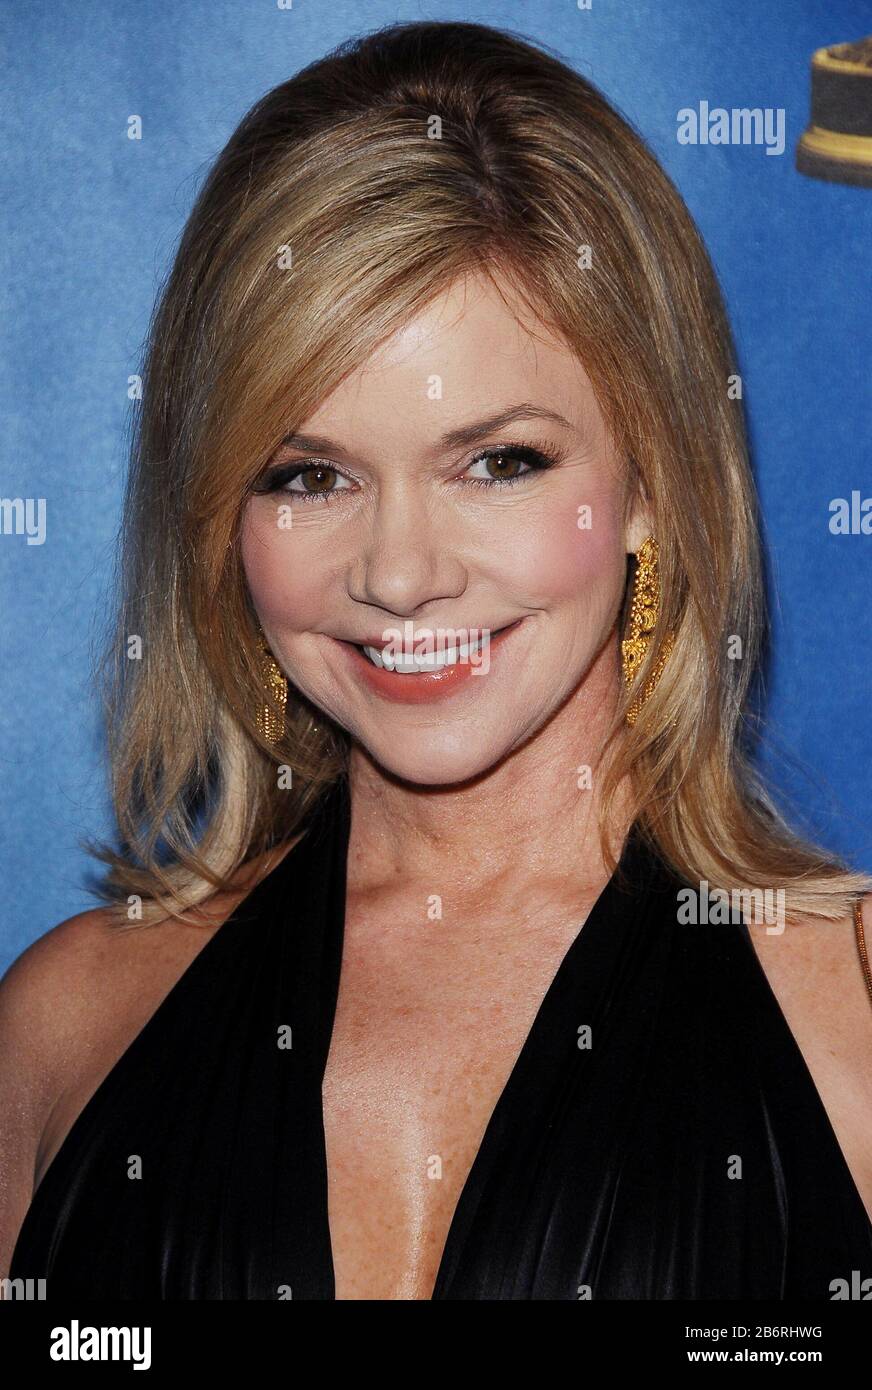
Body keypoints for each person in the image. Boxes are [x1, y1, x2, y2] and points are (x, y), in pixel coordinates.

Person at [1, 19, 870, 1301]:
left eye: (498, 460)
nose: (399, 574)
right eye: (308, 475)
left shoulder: (847, 1006)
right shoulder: (68, 1024)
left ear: (651, 482)